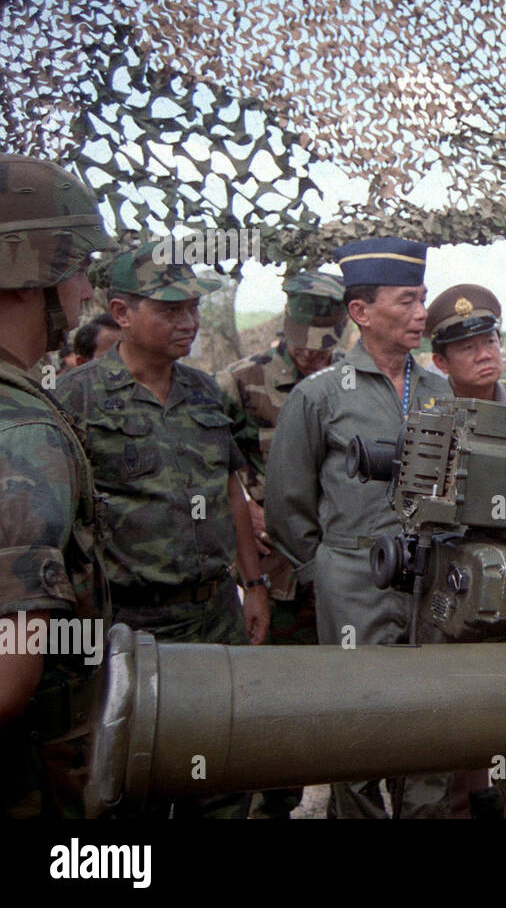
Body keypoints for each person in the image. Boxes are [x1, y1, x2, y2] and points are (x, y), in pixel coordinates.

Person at [58, 240, 270, 816]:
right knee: (133, 777)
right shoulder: (76, 399)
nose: (189, 322)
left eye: (193, 308)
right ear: (123, 313)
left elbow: (231, 491)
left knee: (224, 770)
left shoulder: (205, 392)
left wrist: (253, 587)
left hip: (213, 618)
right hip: (129, 625)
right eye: (170, 310)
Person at [264, 237, 456, 818]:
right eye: (406, 301)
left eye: (423, 299)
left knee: (434, 720)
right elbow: (287, 503)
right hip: (353, 581)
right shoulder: (319, 395)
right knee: (359, 724)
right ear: (361, 312)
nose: (422, 313)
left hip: (431, 579)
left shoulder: (439, 391)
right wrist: (325, 570)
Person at [0, 156, 112, 818]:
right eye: (75, 266)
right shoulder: (22, 429)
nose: (86, 290)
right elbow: (10, 677)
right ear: (28, 270)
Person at [217, 269, 346, 817]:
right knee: (272, 702)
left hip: (337, 569)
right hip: (273, 572)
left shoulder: (352, 384)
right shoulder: (242, 382)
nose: (315, 356)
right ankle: (273, 805)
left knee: (343, 701)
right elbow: (217, 472)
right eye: (305, 344)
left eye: (327, 343)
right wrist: (248, 509)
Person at [426, 284, 506, 408]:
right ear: (441, 362)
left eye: (490, 342)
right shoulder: (425, 412)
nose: (484, 355)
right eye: (468, 347)